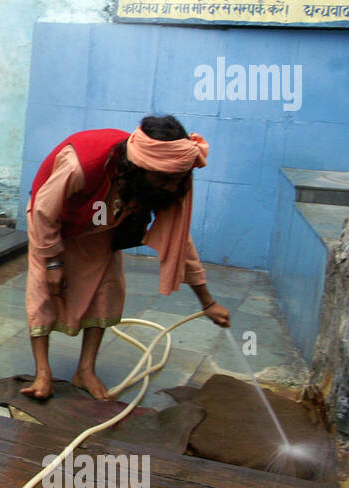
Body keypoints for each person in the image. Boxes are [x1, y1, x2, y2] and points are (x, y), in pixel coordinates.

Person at [21, 115, 230, 401]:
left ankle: (85, 371)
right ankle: (42, 373)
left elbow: (180, 244)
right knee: (44, 291)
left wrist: (208, 301)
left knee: (105, 291)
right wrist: (53, 262)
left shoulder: (167, 181)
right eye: (164, 179)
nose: (170, 187)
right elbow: (45, 211)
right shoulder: (83, 163)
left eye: (176, 180)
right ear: (139, 167)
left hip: (103, 225)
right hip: (54, 222)